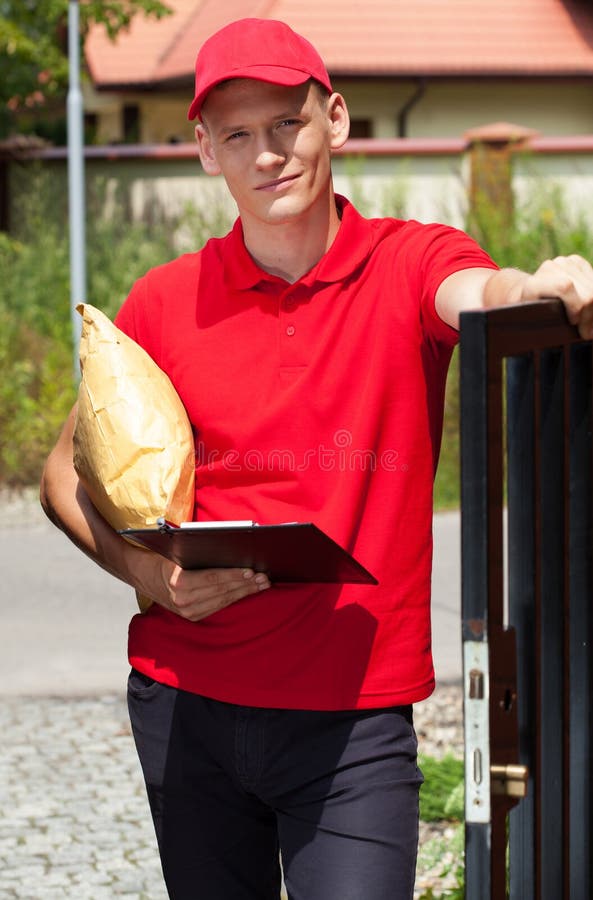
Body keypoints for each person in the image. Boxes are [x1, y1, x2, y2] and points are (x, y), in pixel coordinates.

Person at [41, 17, 593, 900]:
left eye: (286, 125)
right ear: (205, 153)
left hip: (352, 724)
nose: (268, 155)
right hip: (187, 702)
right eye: (238, 136)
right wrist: (148, 569)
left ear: (333, 118)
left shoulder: (410, 261)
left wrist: (543, 286)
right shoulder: (162, 300)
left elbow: (483, 295)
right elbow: (62, 474)